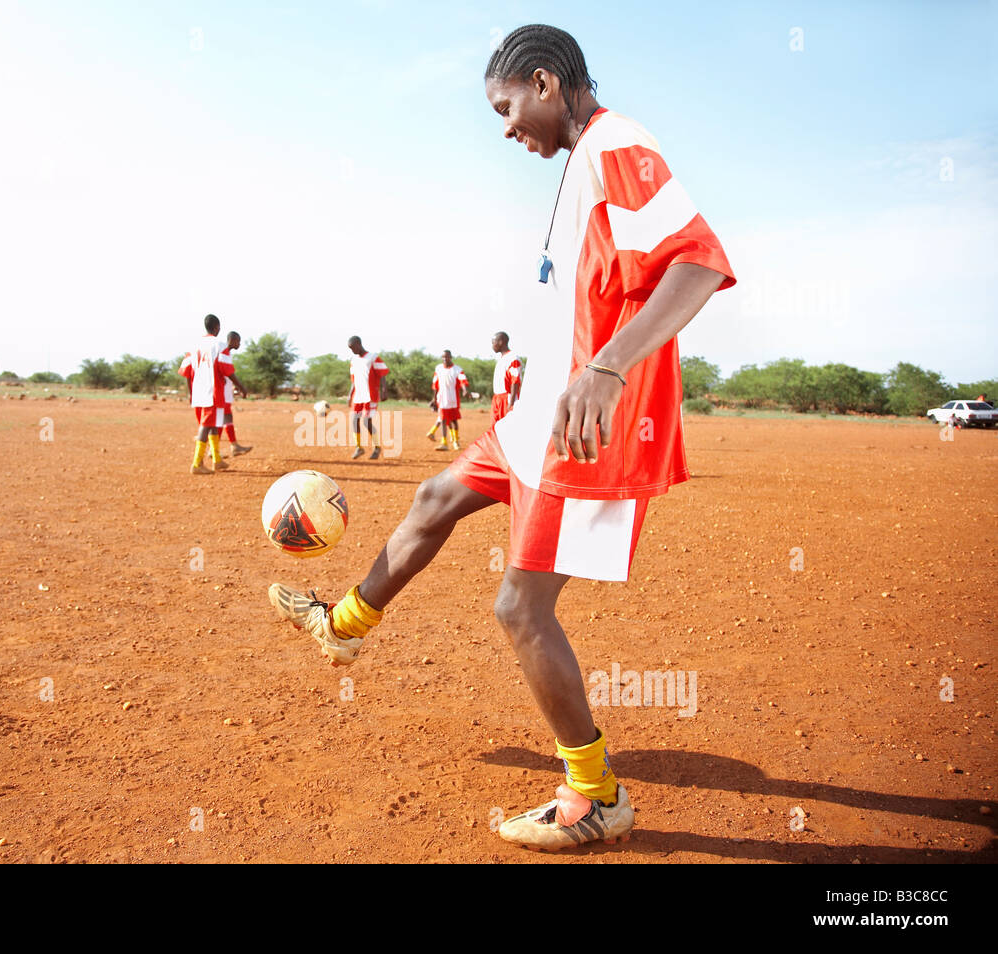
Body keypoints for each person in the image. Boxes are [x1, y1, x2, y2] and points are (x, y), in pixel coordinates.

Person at [268, 23, 734, 851]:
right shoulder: (581, 163)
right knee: (433, 497)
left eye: (507, 106)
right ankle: (340, 628)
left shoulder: (621, 144)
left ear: (546, 83)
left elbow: (696, 263)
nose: (507, 127)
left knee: (520, 608)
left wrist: (610, 368)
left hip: (581, 424)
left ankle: (597, 796)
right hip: (535, 416)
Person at [183, 314, 246, 475]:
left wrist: (191, 393)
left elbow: (186, 371)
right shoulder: (219, 344)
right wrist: (241, 386)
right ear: (217, 327)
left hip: (199, 391)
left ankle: (217, 460)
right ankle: (197, 463)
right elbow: (227, 369)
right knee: (206, 425)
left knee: (212, 424)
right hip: (212, 391)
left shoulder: (194, 345)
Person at [346, 336, 389, 460]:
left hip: (370, 395)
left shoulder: (373, 357)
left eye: (353, 347)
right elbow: (353, 380)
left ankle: (377, 447)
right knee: (354, 420)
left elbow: (382, 374)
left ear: (359, 344)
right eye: (350, 349)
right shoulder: (353, 360)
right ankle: (358, 447)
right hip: (357, 396)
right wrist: (350, 394)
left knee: (366, 421)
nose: (352, 350)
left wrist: (384, 390)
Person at [219, 331, 252, 457]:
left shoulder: (227, 353)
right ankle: (215, 449)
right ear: (232, 340)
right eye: (238, 341)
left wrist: (232, 387)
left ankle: (234, 446)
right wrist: (241, 387)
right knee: (221, 420)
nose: (240, 343)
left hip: (225, 392)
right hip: (221, 392)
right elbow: (228, 372)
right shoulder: (223, 352)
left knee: (226, 419)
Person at [430, 351, 469, 451]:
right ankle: (444, 443)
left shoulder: (457, 369)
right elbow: (435, 384)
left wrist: (465, 390)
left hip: (453, 399)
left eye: (447, 357)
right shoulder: (438, 368)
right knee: (443, 420)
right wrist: (434, 399)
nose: (445, 359)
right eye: (443, 357)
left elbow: (463, 381)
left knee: (454, 420)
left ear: (451, 357)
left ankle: (456, 441)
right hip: (442, 399)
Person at [491, 331, 522, 423]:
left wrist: (511, 403)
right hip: (497, 398)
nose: (492, 345)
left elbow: (515, 381)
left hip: (507, 399)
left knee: (507, 428)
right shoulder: (501, 358)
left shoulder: (513, 358)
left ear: (501, 342)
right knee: (495, 427)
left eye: (493, 342)